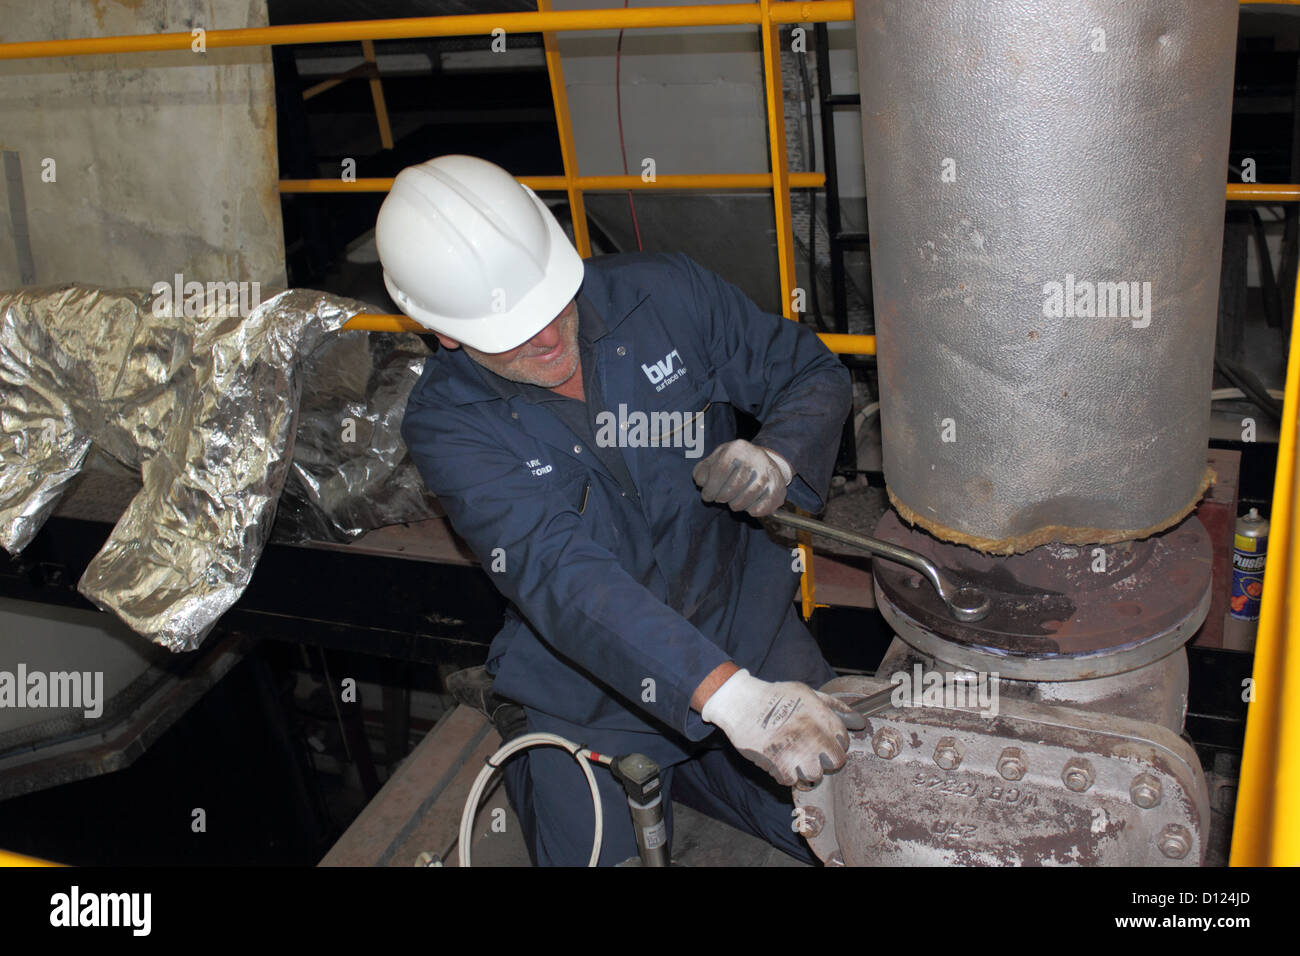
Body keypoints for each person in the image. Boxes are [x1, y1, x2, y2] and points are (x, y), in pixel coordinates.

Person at [382, 155, 864, 866]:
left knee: (859, 828)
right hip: (591, 688)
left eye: (551, 304)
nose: (547, 338)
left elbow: (811, 371)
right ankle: (677, 757)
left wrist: (778, 458)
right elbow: (561, 575)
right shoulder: (448, 426)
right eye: (510, 331)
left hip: (747, 629)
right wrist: (730, 702)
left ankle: (700, 770)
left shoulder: (667, 294)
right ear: (444, 332)